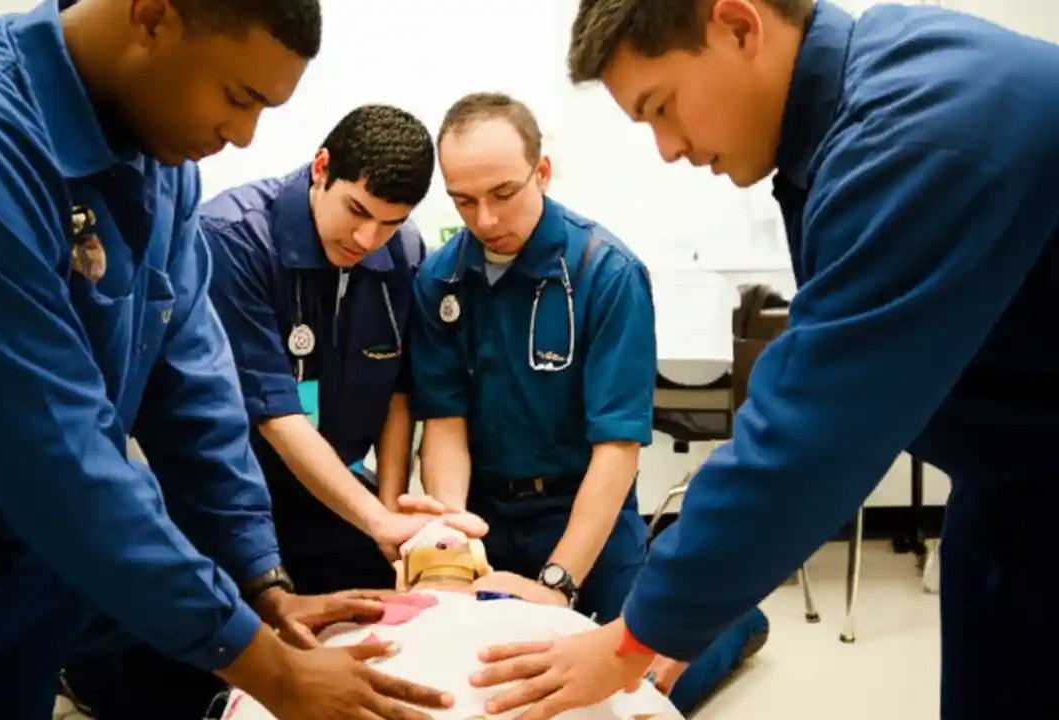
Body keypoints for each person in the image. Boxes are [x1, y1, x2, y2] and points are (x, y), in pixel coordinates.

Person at [0, 1, 459, 718]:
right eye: (239, 97)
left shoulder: (157, 162)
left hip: (28, 588)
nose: (243, 135)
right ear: (151, 16)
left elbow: (195, 391)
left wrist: (264, 585)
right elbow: (57, 455)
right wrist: (270, 672)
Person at [467, 2, 1059, 719]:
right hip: (1015, 481)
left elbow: (811, 433)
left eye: (663, 108)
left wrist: (635, 637)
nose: (667, 148)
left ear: (739, 25)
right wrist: (684, 609)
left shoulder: (919, 132)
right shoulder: (856, 105)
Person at [63, 104, 486, 720]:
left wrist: (393, 513)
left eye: (389, 224)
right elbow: (276, 415)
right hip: (222, 493)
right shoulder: (232, 236)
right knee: (183, 661)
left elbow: (399, 394)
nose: (366, 241)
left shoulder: (402, 253)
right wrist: (374, 519)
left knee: (375, 618)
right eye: (357, 212)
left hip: (335, 493)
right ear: (321, 170)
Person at [409, 92, 768, 717]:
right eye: (464, 200)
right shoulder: (439, 278)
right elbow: (444, 424)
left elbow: (618, 449)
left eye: (502, 193)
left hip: (583, 514)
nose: (486, 219)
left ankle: (735, 622)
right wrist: (452, 537)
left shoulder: (607, 273)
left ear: (541, 172)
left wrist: (557, 584)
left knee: (640, 674)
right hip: (489, 512)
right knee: (464, 672)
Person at [218, 517, 686, 720]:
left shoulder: (561, 627)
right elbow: (264, 687)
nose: (444, 534)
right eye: (427, 537)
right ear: (400, 573)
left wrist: (554, 606)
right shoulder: (340, 621)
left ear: (487, 567)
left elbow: (633, 688)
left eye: (460, 537)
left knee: (684, 641)